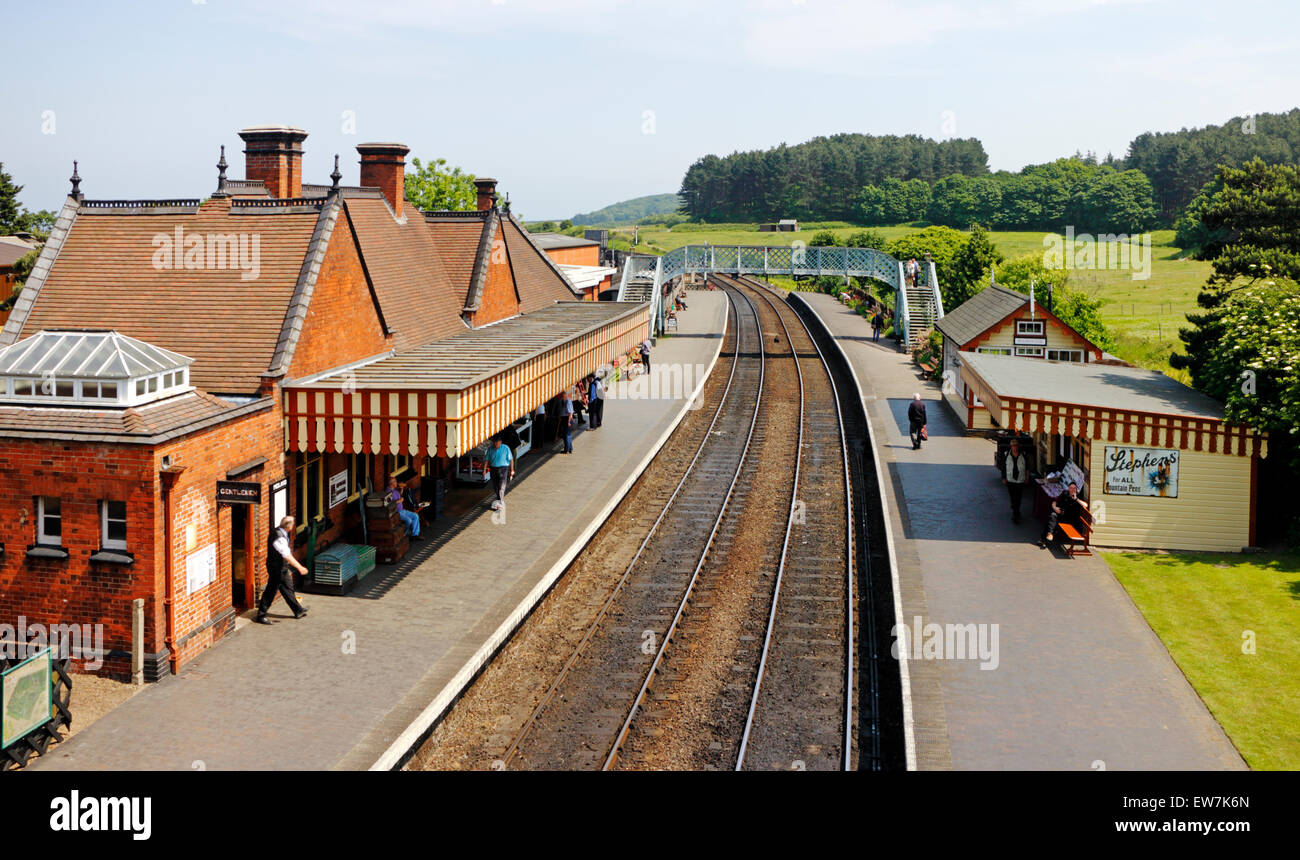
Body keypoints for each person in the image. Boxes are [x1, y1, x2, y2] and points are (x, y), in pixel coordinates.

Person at [256, 516, 309, 624]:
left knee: (288, 588)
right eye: (293, 524)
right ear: (289, 527)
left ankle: (298, 610)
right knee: (271, 591)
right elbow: (286, 555)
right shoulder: (279, 537)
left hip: (281, 567)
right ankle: (261, 615)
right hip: (276, 568)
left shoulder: (279, 532)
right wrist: (300, 567)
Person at [1040, 481, 1082, 548]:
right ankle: (1049, 534)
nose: (1072, 490)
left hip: (1069, 518)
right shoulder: (1065, 493)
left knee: (1052, 520)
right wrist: (1055, 507)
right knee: (1053, 515)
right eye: (1071, 488)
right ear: (1068, 488)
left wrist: (1076, 499)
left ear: (1076, 489)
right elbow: (1054, 501)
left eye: (1074, 488)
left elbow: (1085, 505)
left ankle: (1043, 540)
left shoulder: (1078, 496)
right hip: (1060, 513)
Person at [1002, 438, 1029, 523]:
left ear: (1018, 446)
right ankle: (1015, 510)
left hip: (1020, 480)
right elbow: (1003, 468)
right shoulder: (1006, 455)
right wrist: (1003, 478)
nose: (1015, 448)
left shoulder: (1023, 455)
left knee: (1018, 497)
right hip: (1010, 479)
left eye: (1016, 446)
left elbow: (1027, 468)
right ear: (1011, 446)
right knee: (1013, 497)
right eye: (1013, 446)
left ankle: (1016, 513)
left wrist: (1027, 478)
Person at [387, 476, 422, 540]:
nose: (396, 483)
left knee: (415, 516)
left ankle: (415, 535)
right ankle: (403, 535)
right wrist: (399, 501)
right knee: (408, 520)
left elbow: (398, 496)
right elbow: (389, 504)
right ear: (391, 483)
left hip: (402, 510)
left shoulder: (395, 490)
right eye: (395, 481)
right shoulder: (388, 492)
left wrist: (401, 490)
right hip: (396, 512)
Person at [487, 434, 515, 510]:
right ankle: (499, 500)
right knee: (496, 486)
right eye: (495, 442)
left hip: (503, 469)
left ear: (500, 442)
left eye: (497, 442)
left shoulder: (506, 448)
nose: (496, 444)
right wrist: (484, 470)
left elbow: (511, 459)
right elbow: (487, 459)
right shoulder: (490, 449)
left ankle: (501, 502)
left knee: (501, 486)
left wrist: (512, 470)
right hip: (493, 469)